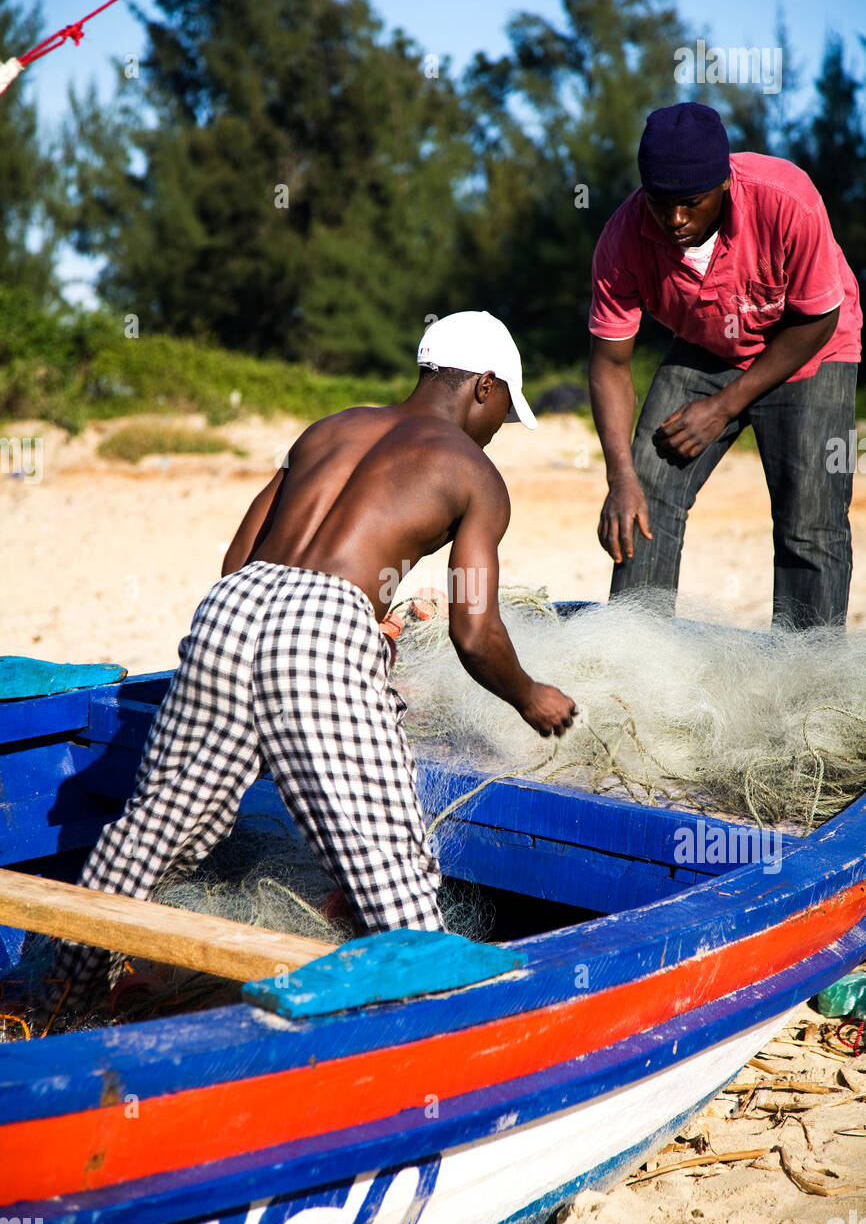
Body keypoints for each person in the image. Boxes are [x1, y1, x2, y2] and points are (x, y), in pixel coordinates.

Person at [54, 311, 577, 1002]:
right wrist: (531, 695)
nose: (496, 434)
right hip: (322, 625)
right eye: (503, 414)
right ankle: (428, 1028)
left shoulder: (327, 429)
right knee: (387, 863)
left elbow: (238, 561)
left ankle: (56, 998)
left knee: (157, 826)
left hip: (231, 609)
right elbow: (475, 631)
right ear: (483, 387)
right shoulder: (472, 472)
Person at [589, 102, 862, 628]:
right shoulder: (621, 240)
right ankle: (634, 661)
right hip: (709, 342)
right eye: (661, 203)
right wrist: (620, 476)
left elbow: (817, 321)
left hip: (810, 345)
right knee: (646, 489)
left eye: (691, 204)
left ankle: (809, 684)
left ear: (724, 185)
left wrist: (723, 406)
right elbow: (609, 363)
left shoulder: (788, 200)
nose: (674, 220)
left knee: (810, 522)